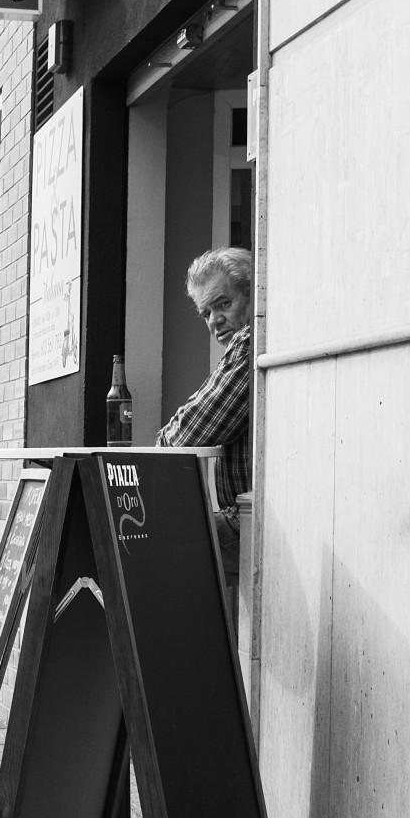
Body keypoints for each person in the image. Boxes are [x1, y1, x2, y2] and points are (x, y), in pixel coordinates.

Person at [158, 246, 253, 600]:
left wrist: (164, 439)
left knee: (142, 547)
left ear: (251, 294)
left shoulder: (251, 343)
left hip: (255, 521)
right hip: (244, 517)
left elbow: (190, 435)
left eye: (223, 304)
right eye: (205, 312)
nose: (213, 321)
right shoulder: (239, 349)